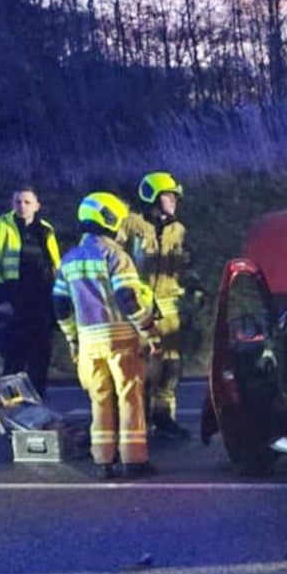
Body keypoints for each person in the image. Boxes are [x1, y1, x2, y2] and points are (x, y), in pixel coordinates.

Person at [53, 192, 160, 480]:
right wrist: (149, 331)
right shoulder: (115, 255)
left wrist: (73, 339)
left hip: (88, 342)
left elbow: (61, 306)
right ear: (110, 219)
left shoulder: (69, 259)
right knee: (129, 397)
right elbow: (128, 298)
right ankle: (134, 460)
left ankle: (103, 461)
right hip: (120, 339)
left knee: (99, 399)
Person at [120, 172, 196, 439]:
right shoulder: (131, 225)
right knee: (139, 367)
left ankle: (164, 417)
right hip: (138, 308)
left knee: (171, 366)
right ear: (151, 196)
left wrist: (194, 289)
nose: (173, 200)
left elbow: (184, 264)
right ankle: (138, 420)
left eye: (175, 196)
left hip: (169, 308)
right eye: (168, 195)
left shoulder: (179, 229)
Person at [0, 186, 61, 396]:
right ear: (12, 204)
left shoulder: (45, 230)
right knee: (14, 361)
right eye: (18, 202)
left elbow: (54, 265)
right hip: (14, 301)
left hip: (42, 302)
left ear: (37, 206)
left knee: (41, 360)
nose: (22, 206)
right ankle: (13, 413)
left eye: (27, 202)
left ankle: (38, 411)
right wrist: (0, 299)